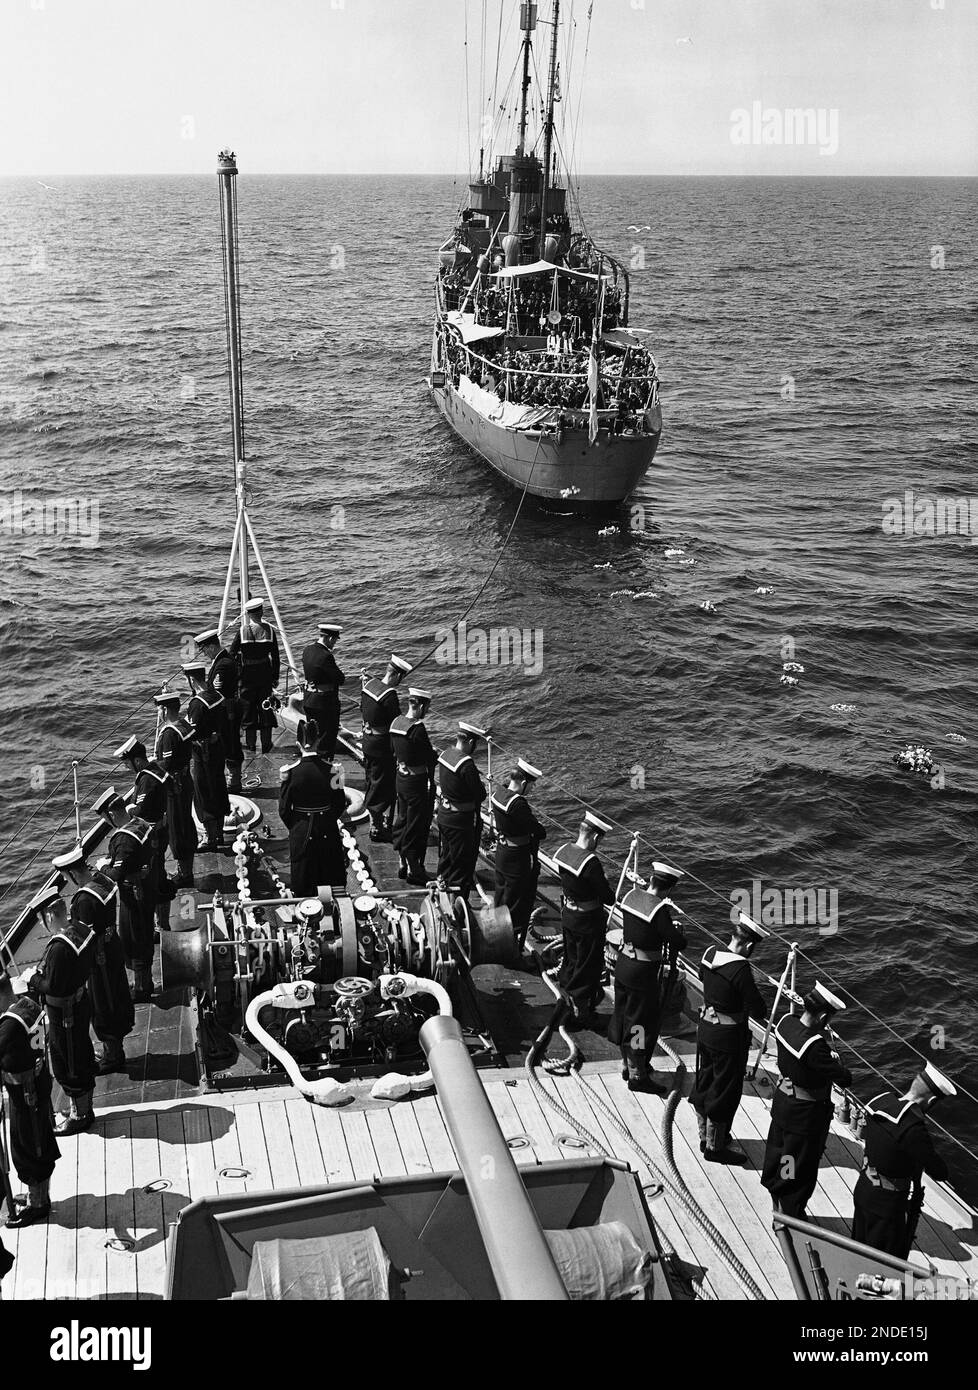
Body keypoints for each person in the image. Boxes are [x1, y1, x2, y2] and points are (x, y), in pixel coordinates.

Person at [760, 981, 852, 1219]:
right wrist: (835, 1062)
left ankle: (776, 1199)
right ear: (823, 1017)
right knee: (797, 1164)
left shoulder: (785, 1023)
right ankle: (789, 1214)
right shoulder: (815, 1047)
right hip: (804, 1116)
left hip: (783, 1103)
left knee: (780, 1153)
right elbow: (844, 1078)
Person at [851, 1062, 956, 1259]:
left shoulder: (879, 1101)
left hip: (864, 1188)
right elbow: (940, 1172)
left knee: (859, 1245)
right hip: (887, 1204)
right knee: (883, 1261)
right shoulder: (912, 1128)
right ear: (932, 1100)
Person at [689, 919, 768, 1164]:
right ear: (748, 946)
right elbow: (758, 1010)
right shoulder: (741, 969)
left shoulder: (710, 953)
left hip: (706, 1028)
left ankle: (705, 1135)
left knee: (705, 1079)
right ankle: (714, 1147)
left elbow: (703, 976)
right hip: (728, 1038)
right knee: (724, 1090)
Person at [608, 862, 688, 1093]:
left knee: (624, 1015)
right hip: (642, 974)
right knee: (640, 1025)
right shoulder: (659, 909)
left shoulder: (631, 896)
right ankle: (637, 1076)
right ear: (669, 889)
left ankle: (627, 1063)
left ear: (651, 880)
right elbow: (675, 941)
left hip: (623, 965)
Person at [55, 844, 133, 1076]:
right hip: (113, 947)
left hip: (99, 960)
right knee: (118, 995)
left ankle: (113, 1056)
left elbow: (83, 935)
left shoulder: (84, 899)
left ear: (71, 873)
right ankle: (114, 1050)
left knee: (103, 1005)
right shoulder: (103, 881)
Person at [27, 888, 97, 1135]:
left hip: (64, 1015)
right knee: (82, 1053)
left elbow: (53, 985)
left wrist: (33, 979)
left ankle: (80, 1115)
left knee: (67, 1062)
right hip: (80, 1003)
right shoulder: (80, 929)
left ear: (48, 916)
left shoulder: (58, 947)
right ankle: (85, 1107)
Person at [0, 971, 60, 1227]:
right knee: (37, 1142)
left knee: (30, 1149)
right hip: (37, 1085)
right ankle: (38, 1195)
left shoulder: (9, 1025)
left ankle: (39, 1204)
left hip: (26, 1095)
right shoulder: (28, 1005)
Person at [93, 789, 157, 1003]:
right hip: (146, 886)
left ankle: (142, 989)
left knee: (135, 938)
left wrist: (102, 867)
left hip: (133, 894)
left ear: (112, 814)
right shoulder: (140, 823)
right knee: (145, 932)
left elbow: (116, 874)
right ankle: (145, 983)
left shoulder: (124, 839)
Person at [552, 812, 615, 1023]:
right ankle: (581, 1013)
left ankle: (566, 994)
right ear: (596, 838)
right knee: (587, 964)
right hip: (588, 922)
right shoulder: (591, 863)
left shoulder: (564, 851)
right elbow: (609, 898)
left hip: (569, 915)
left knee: (571, 957)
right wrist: (604, 880)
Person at [277, 719, 348, 895]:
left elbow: (284, 809)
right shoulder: (335, 770)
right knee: (330, 870)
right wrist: (328, 820)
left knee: (303, 874)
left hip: (301, 829)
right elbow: (340, 804)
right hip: (327, 827)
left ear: (297, 744)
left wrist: (296, 827)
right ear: (318, 741)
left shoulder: (290, 772)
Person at [115, 735, 171, 932]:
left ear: (137, 760)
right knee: (159, 873)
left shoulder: (146, 779)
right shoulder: (156, 769)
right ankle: (162, 922)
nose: (127, 768)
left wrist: (129, 810)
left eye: (128, 764)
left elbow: (141, 810)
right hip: (162, 829)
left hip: (153, 837)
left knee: (153, 878)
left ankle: (160, 925)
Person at [491, 758, 547, 949]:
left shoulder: (498, 793)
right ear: (524, 783)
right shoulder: (518, 804)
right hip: (517, 857)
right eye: (531, 786)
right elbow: (538, 830)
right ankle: (511, 949)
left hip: (502, 851)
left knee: (501, 894)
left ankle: (495, 934)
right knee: (516, 902)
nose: (531, 790)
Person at [360, 654, 412, 841]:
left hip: (367, 742)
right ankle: (376, 826)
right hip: (382, 748)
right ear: (398, 676)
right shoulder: (389, 695)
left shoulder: (369, 686)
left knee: (372, 780)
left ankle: (377, 820)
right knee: (381, 785)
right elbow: (396, 723)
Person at [435, 722, 489, 899]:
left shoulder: (445, 754)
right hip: (461, 821)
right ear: (471, 742)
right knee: (462, 863)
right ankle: (457, 907)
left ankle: (441, 884)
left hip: (444, 815)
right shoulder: (466, 764)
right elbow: (480, 795)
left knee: (447, 855)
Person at [390, 688, 437, 886]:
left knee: (402, 819)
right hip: (417, 782)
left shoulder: (396, 723)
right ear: (421, 706)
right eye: (426, 707)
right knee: (416, 825)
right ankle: (414, 868)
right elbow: (429, 757)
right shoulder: (417, 729)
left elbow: (393, 750)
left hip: (401, 778)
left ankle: (402, 862)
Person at [183, 660, 231, 850]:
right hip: (218, 749)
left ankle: (210, 839)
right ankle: (218, 834)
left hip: (202, 754)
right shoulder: (217, 696)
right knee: (218, 788)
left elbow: (191, 732)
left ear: (192, 680)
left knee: (204, 793)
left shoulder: (198, 703)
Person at [153, 690, 196, 888]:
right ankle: (186, 869)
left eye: (160, 708)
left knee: (178, 830)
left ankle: (185, 874)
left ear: (165, 709)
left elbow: (168, 763)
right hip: (186, 780)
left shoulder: (170, 732)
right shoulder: (184, 725)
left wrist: (152, 765)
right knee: (185, 823)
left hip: (175, 787)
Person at [229, 597, 280, 753]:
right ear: (261, 612)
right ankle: (266, 744)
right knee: (266, 708)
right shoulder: (270, 631)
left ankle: (251, 746)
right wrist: (275, 677)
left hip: (247, 676)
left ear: (248, 615)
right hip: (265, 675)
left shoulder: (242, 631)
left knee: (248, 709)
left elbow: (231, 653)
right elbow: (276, 657)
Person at [195, 627, 244, 792]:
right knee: (230, 743)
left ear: (210, 647)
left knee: (230, 745)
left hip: (226, 713)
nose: (204, 654)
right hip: (227, 711)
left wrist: (202, 688)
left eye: (204, 650)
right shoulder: (223, 660)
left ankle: (234, 782)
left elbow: (216, 694)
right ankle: (233, 780)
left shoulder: (223, 665)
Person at [302, 623, 346, 758]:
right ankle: (325, 770)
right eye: (335, 641)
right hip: (324, 704)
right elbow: (340, 679)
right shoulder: (326, 656)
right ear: (330, 638)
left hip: (309, 700)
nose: (334, 644)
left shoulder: (307, 650)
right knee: (327, 740)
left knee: (313, 736)